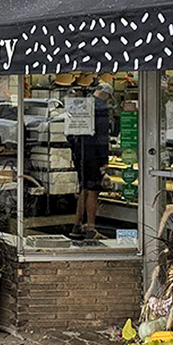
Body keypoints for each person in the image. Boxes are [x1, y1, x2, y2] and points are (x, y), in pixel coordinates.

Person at [68, 83, 112, 242]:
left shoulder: (80, 105)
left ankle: (77, 225)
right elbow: (102, 137)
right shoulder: (101, 108)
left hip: (80, 154)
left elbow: (69, 133)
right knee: (93, 190)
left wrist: (76, 151)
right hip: (94, 155)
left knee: (84, 189)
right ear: (106, 94)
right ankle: (91, 228)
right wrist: (104, 160)